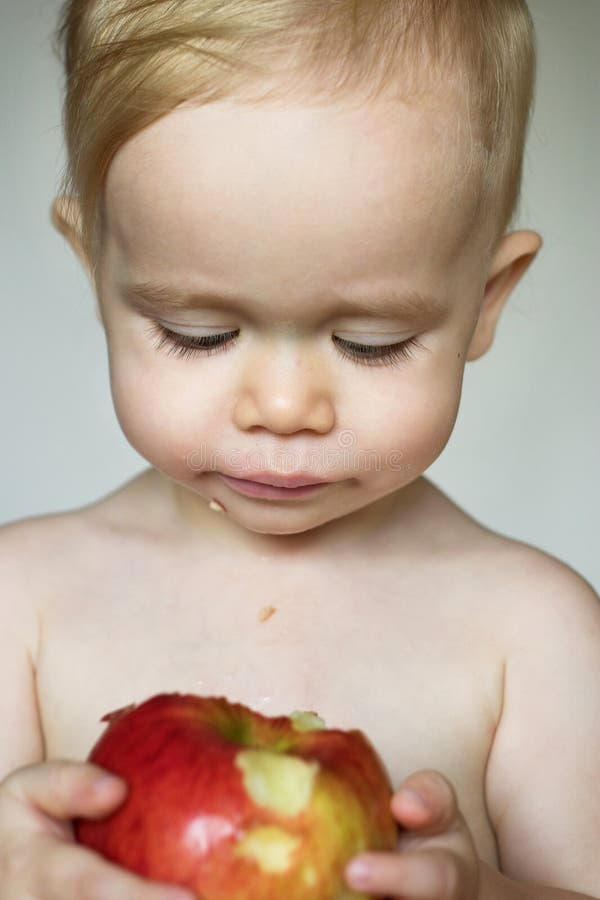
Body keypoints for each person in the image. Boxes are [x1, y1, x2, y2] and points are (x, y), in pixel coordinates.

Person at [1, 1, 598, 898]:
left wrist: (478, 891)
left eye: (371, 343)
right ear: (98, 270)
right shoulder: (22, 607)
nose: (284, 410)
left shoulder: (534, 635)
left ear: (486, 299)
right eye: (197, 333)